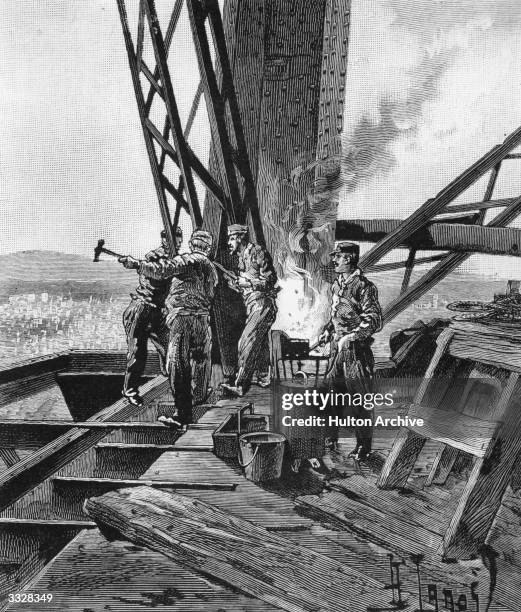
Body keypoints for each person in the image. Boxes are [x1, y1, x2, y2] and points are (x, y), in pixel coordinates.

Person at [119, 230, 217, 425]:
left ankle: (182, 414)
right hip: (200, 318)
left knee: (176, 364)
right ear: (208, 247)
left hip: (183, 318)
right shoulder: (211, 268)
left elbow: (163, 270)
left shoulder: (186, 260)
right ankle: (197, 397)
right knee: (200, 359)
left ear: (190, 244)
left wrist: (137, 264)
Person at [319, 241, 382, 461]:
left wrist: (352, 337)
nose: (334, 260)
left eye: (338, 256)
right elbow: (336, 316)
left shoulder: (364, 286)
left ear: (349, 259)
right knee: (331, 395)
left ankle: (363, 447)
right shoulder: (337, 285)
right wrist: (328, 331)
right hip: (337, 350)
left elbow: (373, 320)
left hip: (357, 352)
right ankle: (330, 438)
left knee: (360, 400)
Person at [119, 227, 183, 406]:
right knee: (137, 351)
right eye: (174, 239)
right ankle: (130, 390)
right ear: (164, 240)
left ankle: (173, 384)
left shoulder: (175, 260)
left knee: (169, 349)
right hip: (141, 309)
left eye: (179, 239)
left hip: (156, 312)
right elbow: (157, 272)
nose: (178, 242)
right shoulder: (154, 257)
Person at [220, 224, 278, 397]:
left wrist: (250, 283)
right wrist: (236, 285)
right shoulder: (240, 257)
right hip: (252, 304)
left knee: (246, 341)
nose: (229, 242)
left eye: (231, 238)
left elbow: (270, 281)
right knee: (259, 341)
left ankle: (240, 385)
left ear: (240, 238)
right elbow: (246, 286)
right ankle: (264, 376)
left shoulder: (257, 252)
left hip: (263, 304)